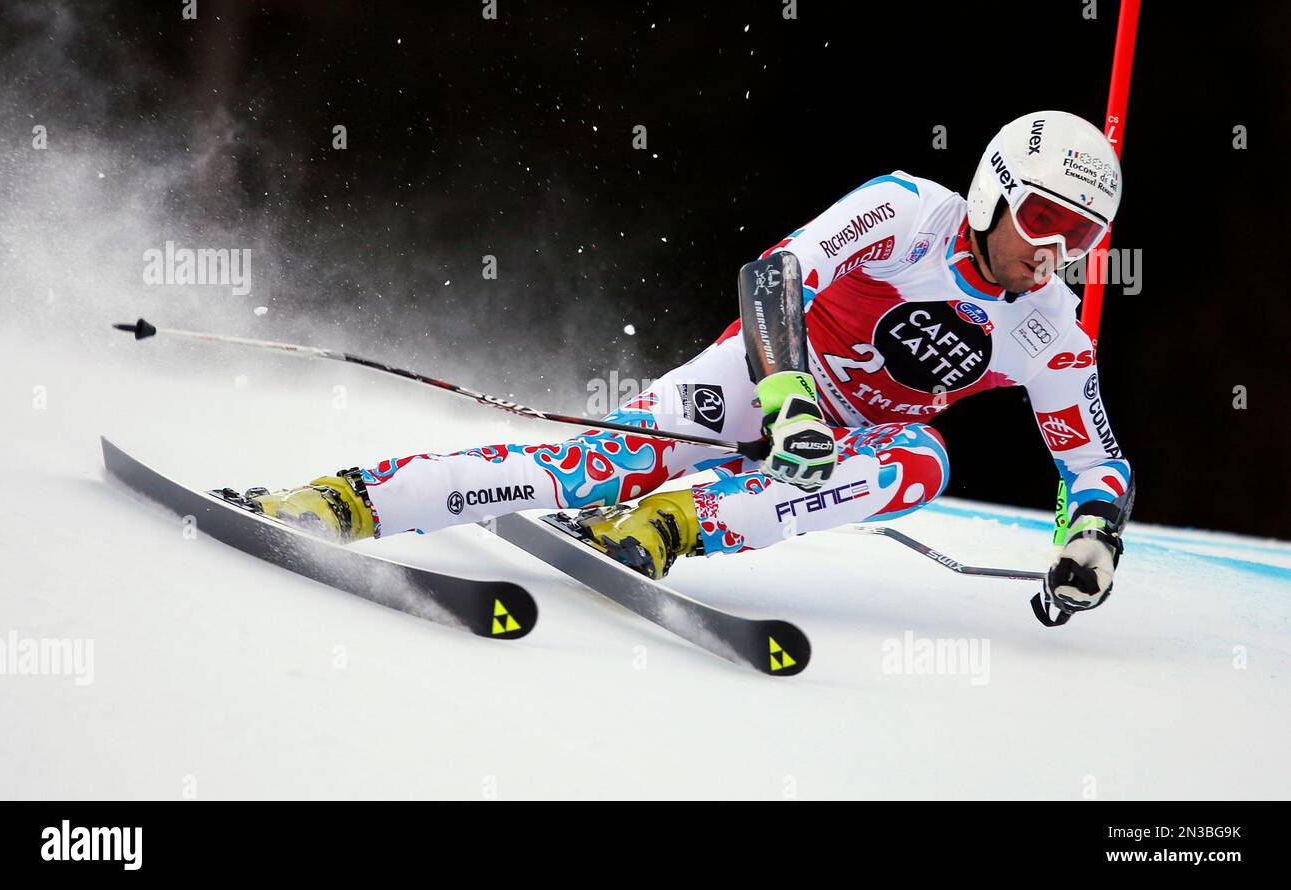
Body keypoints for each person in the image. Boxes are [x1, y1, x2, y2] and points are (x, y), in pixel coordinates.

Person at [243, 110, 1133, 616]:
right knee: (597, 468)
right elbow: (774, 276)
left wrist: (1091, 536)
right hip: (760, 379)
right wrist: (790, 398)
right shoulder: (908, 213)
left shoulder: (1053, 330)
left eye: (1084, 235)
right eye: (1046, 219)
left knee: (927, 461)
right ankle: (346, 499)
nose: (1057, 250)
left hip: (858, 442)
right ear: (995, 193)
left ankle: (673, 525)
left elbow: (1092, 463)